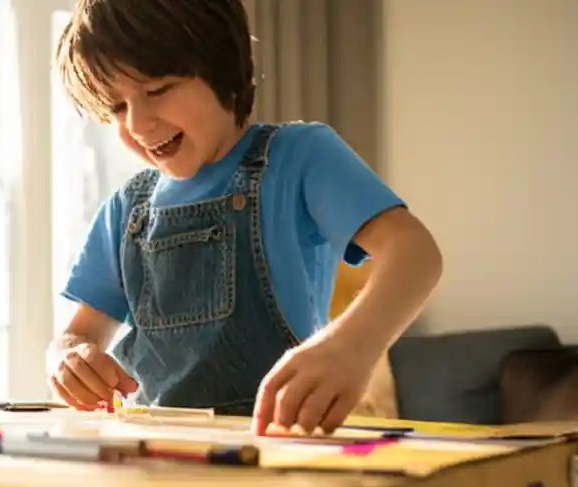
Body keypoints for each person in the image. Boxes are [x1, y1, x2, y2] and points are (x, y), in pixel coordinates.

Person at [47, 0, 443, 435]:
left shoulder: (299, 156)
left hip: (274, 445)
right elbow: (78, 334)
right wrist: (67, 358)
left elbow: (415, 254)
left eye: (157, 90)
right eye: (117, 107)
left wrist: (351, 347)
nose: (138, 125)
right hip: (154, 448)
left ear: (220, 67)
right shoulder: (125, 209)